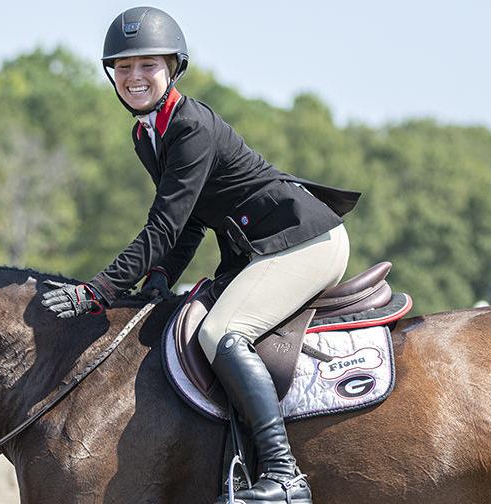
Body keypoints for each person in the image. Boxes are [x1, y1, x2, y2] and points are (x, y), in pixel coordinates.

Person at [41, 7, 361, 503]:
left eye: (146, 65)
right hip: (260, 252)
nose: (133, 77)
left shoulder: (189, 125)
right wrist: (161, 273)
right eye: (122, 68)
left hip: (303, 241)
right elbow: (187, 221)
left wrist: (98, 291)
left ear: (172, 67)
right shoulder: (147, 132)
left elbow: (163, 224)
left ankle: (284, 475)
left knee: (221, 333)